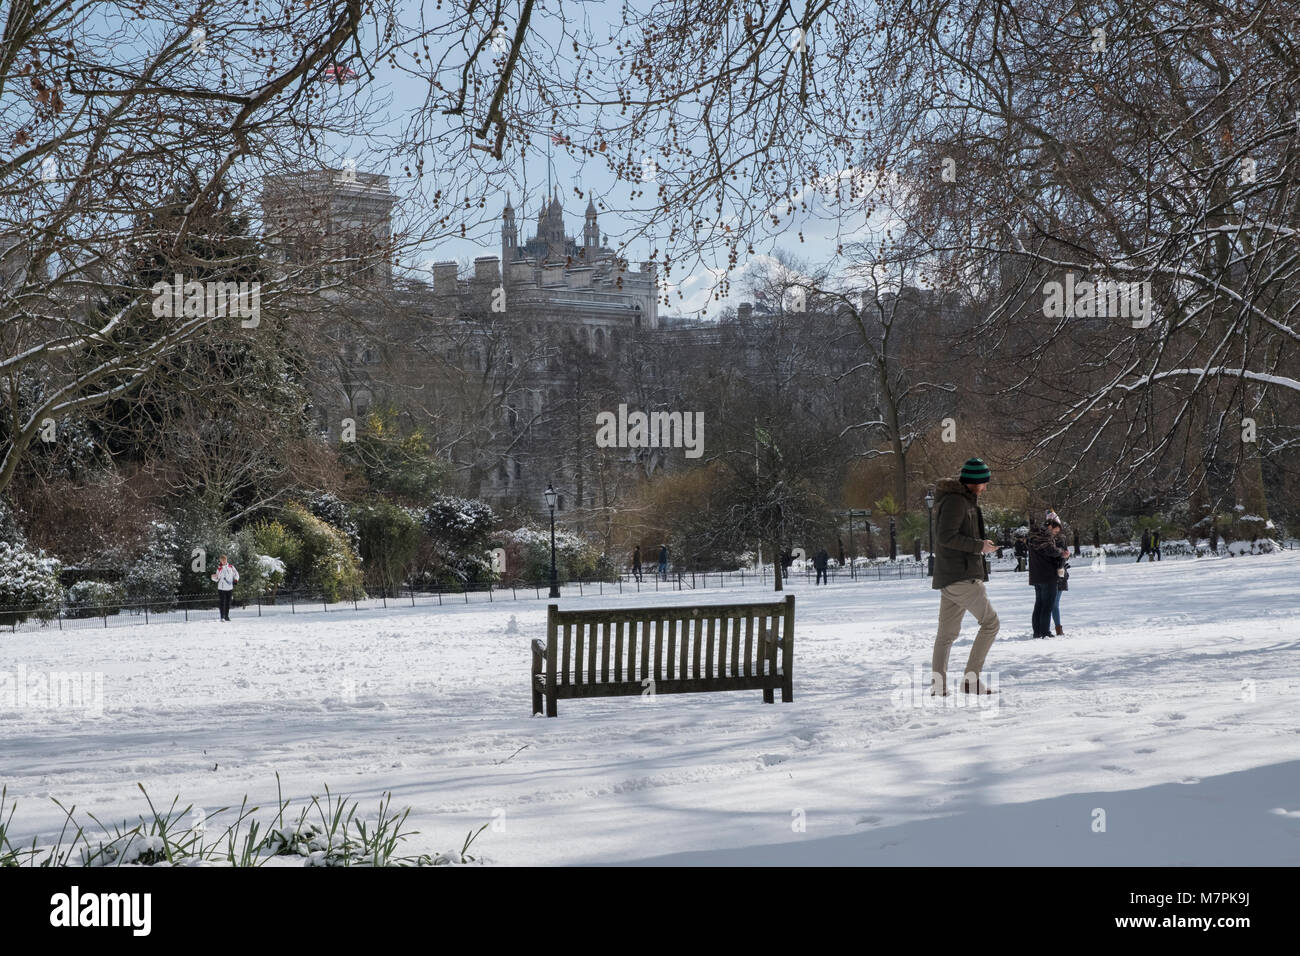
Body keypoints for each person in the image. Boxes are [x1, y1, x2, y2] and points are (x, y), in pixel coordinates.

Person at [930, 457, 1000, 696]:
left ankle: (939, 687)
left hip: (953, 575)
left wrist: (979, 545)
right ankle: (971, 680)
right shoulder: (956, 502)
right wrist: (979, 546)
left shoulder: (963, 501)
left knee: (946, 635)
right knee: (991, 623)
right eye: (984, 482)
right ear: (973, 482)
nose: (986, 487)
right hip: (962, 576)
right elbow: (945, 537)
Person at [1028, 514, 1069, 638]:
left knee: (1039, 604)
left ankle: (1037, 631)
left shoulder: (1034, 535)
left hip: (1036, 575)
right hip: (1047, 575)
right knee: (1047, 605)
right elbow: (1051, 551)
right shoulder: (1045, 536)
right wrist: (1063, 553)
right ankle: (1045, 632)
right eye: (1055, 531)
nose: (1055, 534)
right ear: (1050, 526)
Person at [1048, 511, 1070, 636]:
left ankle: (1058, 628)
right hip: (1055, 573)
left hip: (1059, 573)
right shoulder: (1048, 538)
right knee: (1053, 603)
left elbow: (1062, 556)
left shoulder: (1060, 538)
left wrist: (1064, 558)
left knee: (1054, 603)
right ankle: (1057, 628)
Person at [211, 554, 239, 622]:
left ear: (226, 560)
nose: (223, 561)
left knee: (228, 603)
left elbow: (236, 574)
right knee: (222, 603)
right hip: (221, 588)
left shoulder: (231, 567)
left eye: (224, 560)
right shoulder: (219, 569)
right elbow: (217, 579)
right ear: (220, 561)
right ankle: (222, 616)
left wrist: (236, 580)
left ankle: (227, 616)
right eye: (222, 560)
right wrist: (213, 577)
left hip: (229, 588)